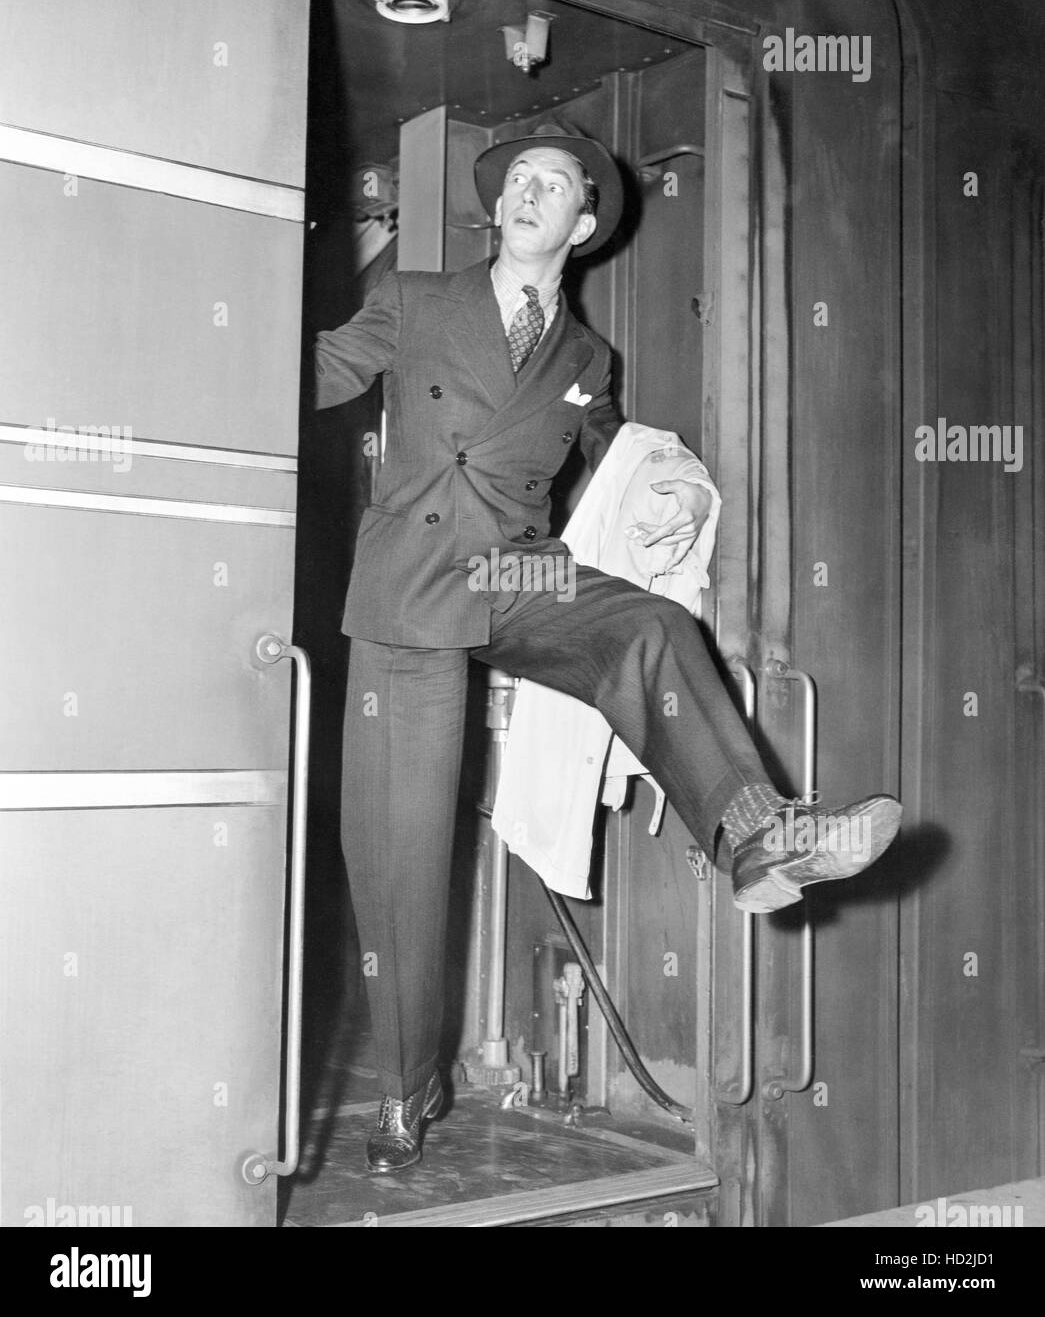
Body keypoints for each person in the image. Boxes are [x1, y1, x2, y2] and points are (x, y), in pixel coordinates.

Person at [314, 123, 902, 1173]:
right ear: (498, 211)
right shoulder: (416, 300)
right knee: (403, 864)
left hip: (510, 573)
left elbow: (621, 456)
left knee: (650, 625)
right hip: (407, 584)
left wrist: (676, 488)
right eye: (518, 181)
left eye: (557, 185)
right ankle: (405, 1098)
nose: (532, 193)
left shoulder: (587, 357)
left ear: (583, 225)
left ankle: (762, 838)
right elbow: (319, 373)